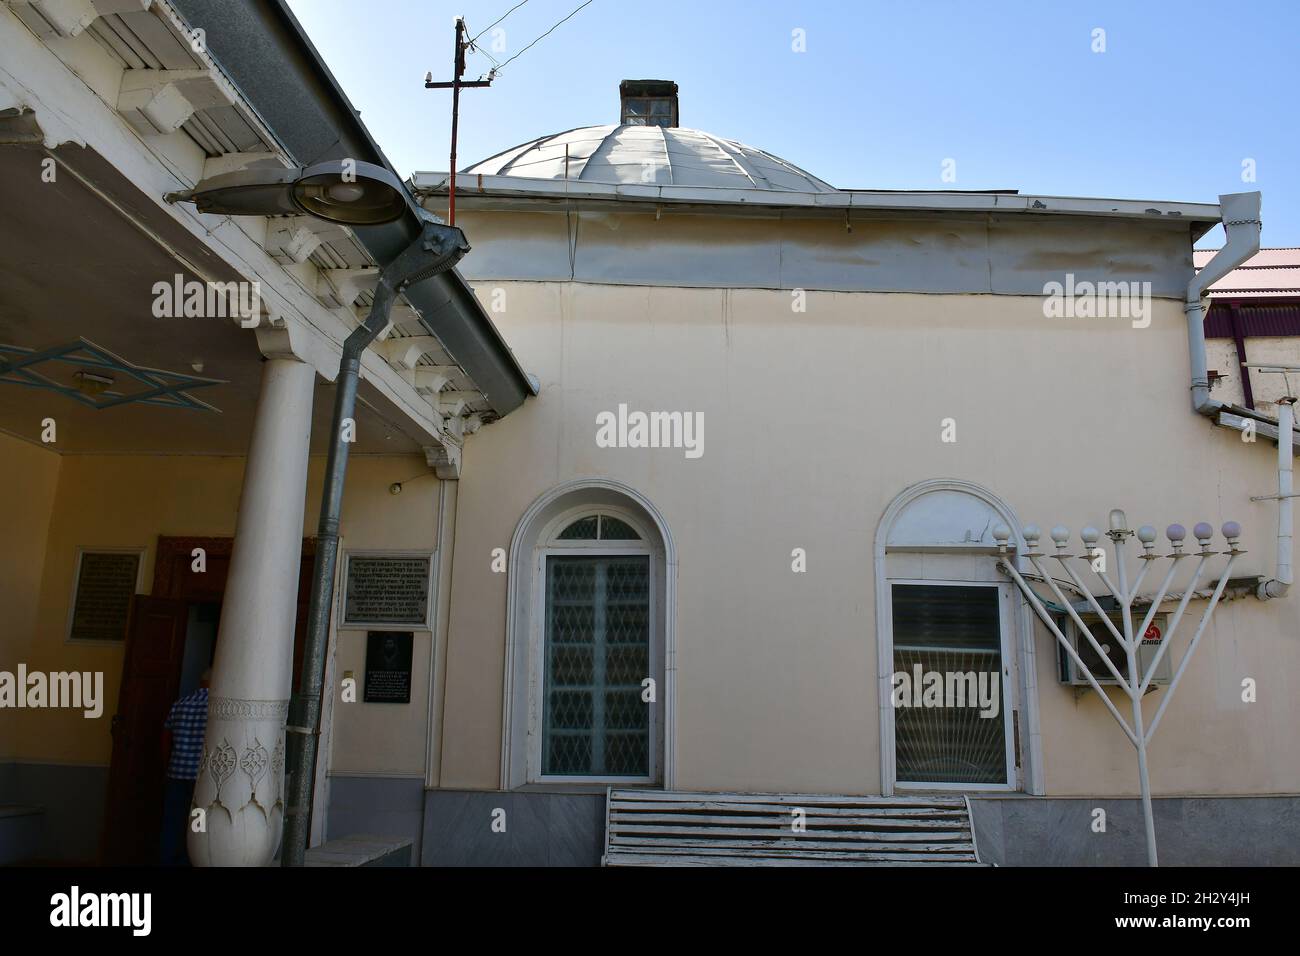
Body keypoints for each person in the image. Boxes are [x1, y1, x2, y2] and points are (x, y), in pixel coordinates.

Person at [160, 668, 210, 866]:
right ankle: (191, 861)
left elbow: (165, 739)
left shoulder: (180, 704)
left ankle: (169, 862)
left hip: (177, 775)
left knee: (173, 823)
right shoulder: (215, 708)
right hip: (201, 780)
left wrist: (167, 766)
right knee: (198, 825)